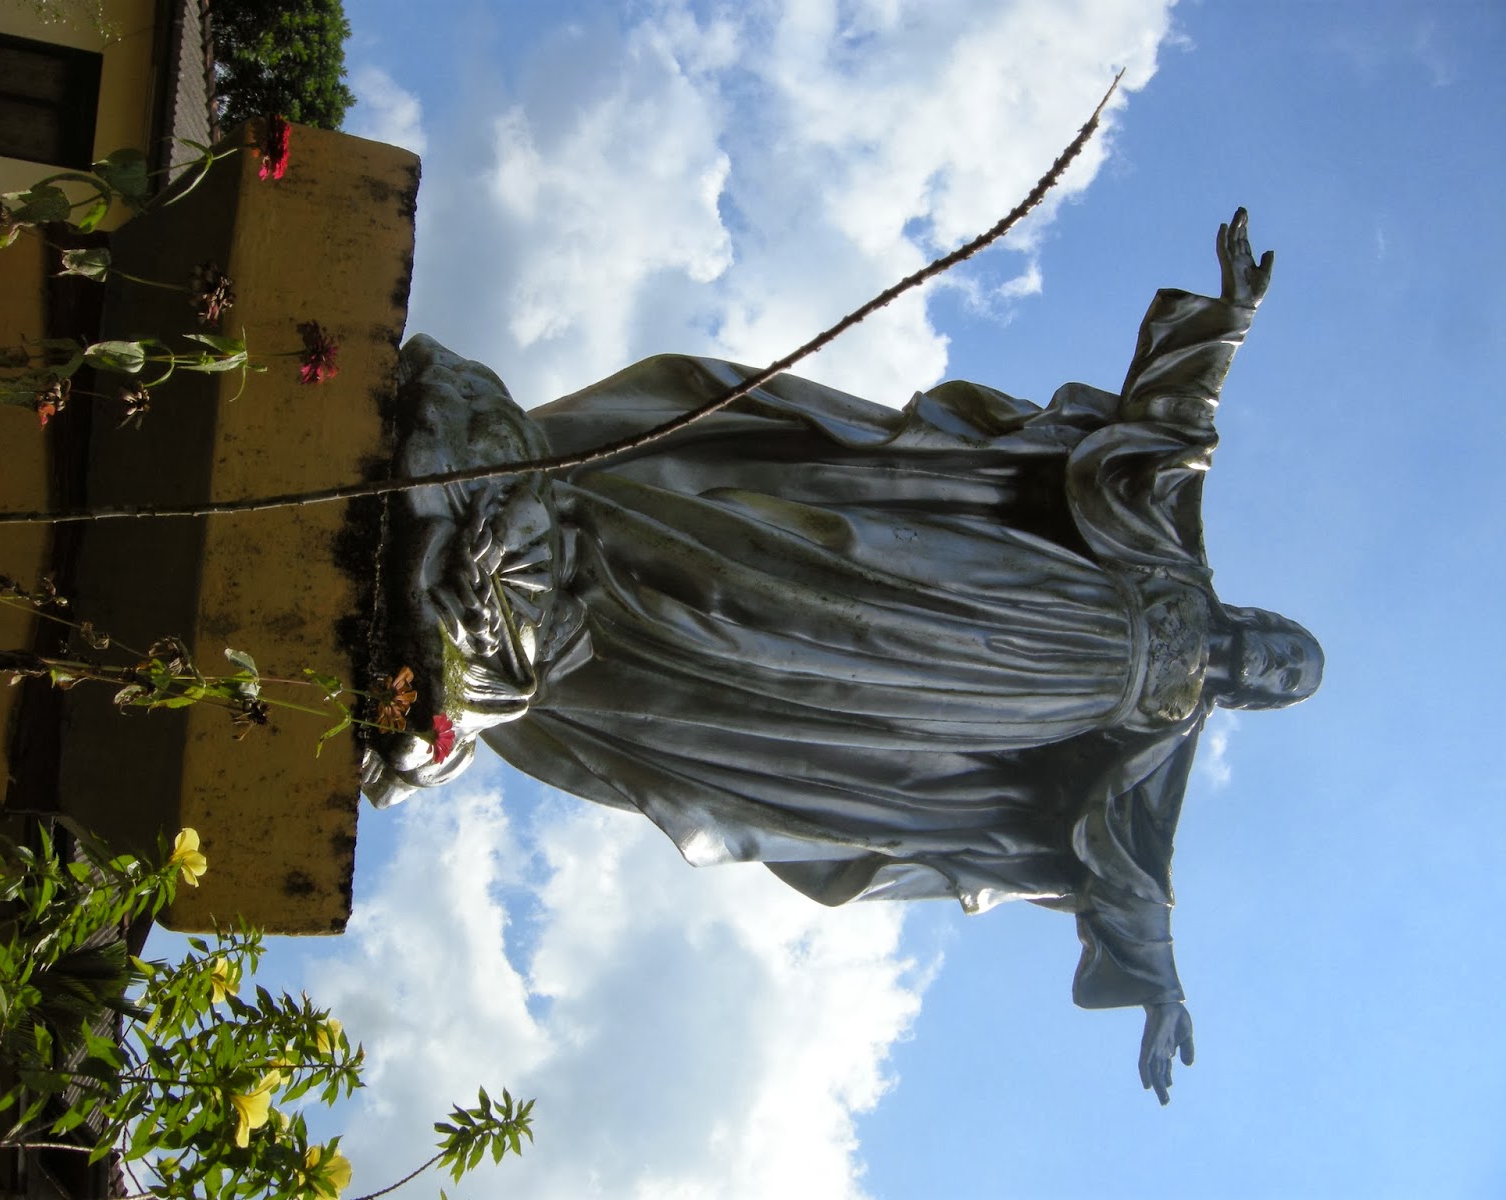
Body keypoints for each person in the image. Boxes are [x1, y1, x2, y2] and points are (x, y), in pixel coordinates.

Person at [363, 208, 1324, 1104]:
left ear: (1258, 705)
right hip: (958, 576)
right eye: (1287, 649)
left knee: (772, 659)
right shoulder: (1175, 560)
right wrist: (1227, 320)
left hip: (947, 692)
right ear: (1269, 616)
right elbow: (1177, 436)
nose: (1270, 665)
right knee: (783, 563)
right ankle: (568, 531)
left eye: (1279, 681)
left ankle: (564, 623)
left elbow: (1136, 873)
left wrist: (1159, 989)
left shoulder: (1166, 734)